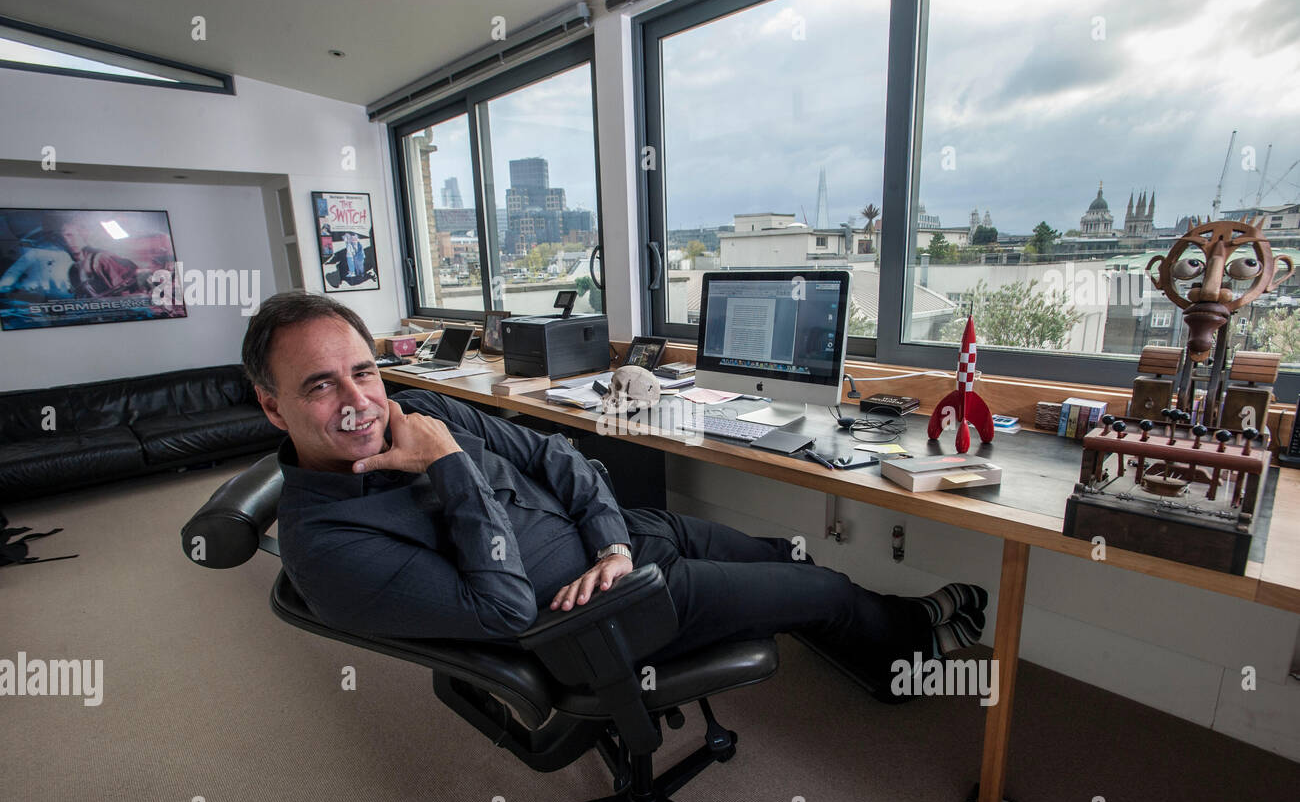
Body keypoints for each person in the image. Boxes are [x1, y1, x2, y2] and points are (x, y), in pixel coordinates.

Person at [241, 292, 987, 700]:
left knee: (779, 552)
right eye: (319, 384)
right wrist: (448, 465)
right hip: (597, 620)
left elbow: (552, 451)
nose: (358, 400)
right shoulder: (325, 544)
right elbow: (501, 609)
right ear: (273, 406)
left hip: (621, 543)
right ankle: (911, 647)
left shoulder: (414, 409)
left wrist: (612, 537)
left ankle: (892, 640)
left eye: (363, 371)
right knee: (817, 586)